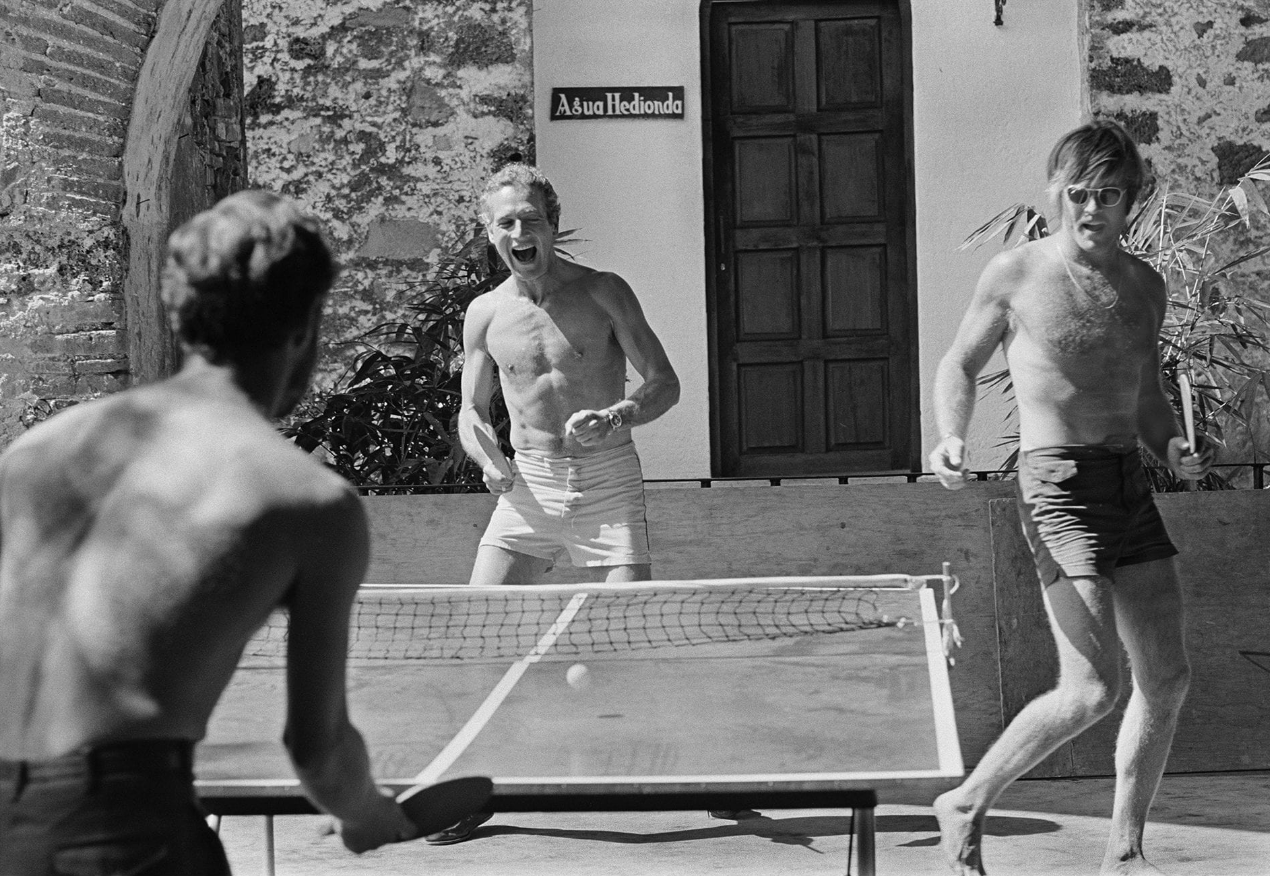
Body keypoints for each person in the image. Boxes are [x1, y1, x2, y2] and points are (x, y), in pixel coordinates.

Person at [0, 191, 421, 873]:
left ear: (180, 315)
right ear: (304, 327)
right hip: (123, 836)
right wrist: (368, 813)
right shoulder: (307, 500)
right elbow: (318, 751)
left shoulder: (36, 452)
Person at [927, 120, 1212, 876]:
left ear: (1130, 201)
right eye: (1078, 194)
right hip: (1055, 486)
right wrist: (950, 438)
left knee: (1167, 677)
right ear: (1057, 195)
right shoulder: (1016, 274)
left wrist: (1173, 444)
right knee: (1091, 689)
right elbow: (959, 363)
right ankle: (966, 799)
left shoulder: (1145, 286)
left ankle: (1124, 849)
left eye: (1108, 195)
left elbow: (1147, 396)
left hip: (1128, 480)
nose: (1091, 210)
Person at [426, 162, 684, 844]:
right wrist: (487, 456)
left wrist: (620, 413)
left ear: (553, 225)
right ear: (490, 234)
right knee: (478, 638)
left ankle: (705, 774)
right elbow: (470, 411)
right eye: (505, 223)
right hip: (528, 489)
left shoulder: (603, 294)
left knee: (620, 650)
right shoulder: (485, 313)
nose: (519, 232)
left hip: (605, 481)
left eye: (530, 220)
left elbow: (665, 382)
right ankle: (473, 790)